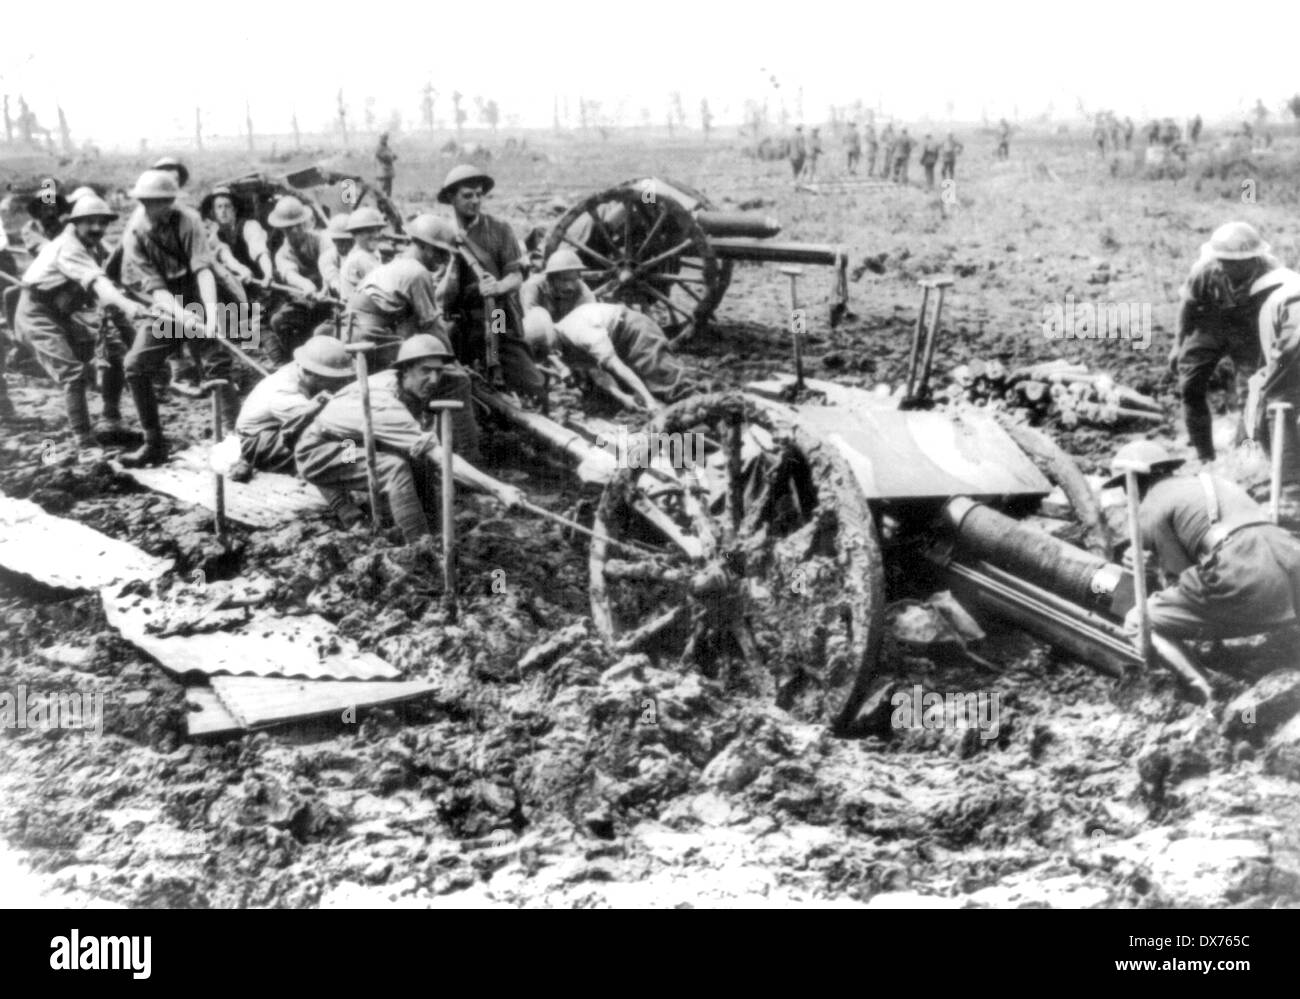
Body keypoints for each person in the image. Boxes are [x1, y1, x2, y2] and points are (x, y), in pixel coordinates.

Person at [294, 334, 517, 543]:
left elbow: (458, 381)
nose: (433, 379)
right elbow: (441, 457)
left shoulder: (402, 384)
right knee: (394, 469)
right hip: (326, 451)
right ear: (406, 370)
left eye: (438, 372)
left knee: (418, 459)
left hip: (352, 440)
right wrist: (498, 489)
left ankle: (434, 531)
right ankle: (419, 549)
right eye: (426, 371)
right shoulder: (385, 404)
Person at [1107, 441, 1300, 646]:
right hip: (1290, 557)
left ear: (1132, 483)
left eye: (1123, 486)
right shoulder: (1212, 481)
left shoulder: (1150, 508)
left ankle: (1198, 679)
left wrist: (1155, 571)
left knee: (1138, 621)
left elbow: (1182, 578)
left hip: (1245, 576)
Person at [119, 169, 240, 466]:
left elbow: (203, 270)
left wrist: (210, 316)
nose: (152, 208)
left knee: (217, 366)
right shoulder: (133, 234)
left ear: (170, 201)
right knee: (135, 366)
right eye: (146, 202)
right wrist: (183, 316)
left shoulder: (189, 221)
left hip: (200, 292)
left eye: (160, 202)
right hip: (167, 304)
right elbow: (157, 290)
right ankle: (154, 442)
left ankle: (239, 442)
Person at [14, 196, 145, 447]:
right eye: (90, 222)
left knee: (113, 354)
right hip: (36, 313)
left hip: (64, 313)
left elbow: (116, 279)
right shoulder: (69, 247)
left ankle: (111, 420)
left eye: (102, 223)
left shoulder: (92, 246)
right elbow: (99, 284)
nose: (97, 228)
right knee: (72, 374)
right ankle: (84, 441)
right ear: (75, 223)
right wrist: (127, 305)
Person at [434, 165, 545, 403]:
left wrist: (497, 287)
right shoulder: (443, 233)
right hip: (458, 322)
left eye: (478, 194)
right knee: (450, 382)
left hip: (496, 313)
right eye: (467, 195)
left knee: (529, 380)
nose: (475, 201)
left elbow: (515, 277)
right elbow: (438, 289)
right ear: (451, 198)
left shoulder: (499, 229)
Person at [1171, 221, 1279, 464]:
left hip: (1250, 329)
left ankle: (1244, 454)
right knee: (1190, 385)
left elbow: (1283, 312)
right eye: (1223, 261)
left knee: (1254, 392)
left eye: (1233, 263)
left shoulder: (1272, 273)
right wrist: (1177, 346)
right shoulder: (1205, 269)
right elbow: (1187, 306)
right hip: (1211, 322)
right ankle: (1205, 458)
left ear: (1251, 260)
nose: (1225, 266)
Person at [235, 335, 354, 490]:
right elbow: (324, 425)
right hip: (257, 442)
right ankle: (345, 507)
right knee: (319, 451)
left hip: (281, 427)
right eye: (332, 378)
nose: (339, 382)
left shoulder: (303, 370)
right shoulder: (285, 394)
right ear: (310, 374)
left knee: (343, 446)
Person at [523, 302, 693, 411]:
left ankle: (709, 414)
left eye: (547, 351)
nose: (551, 356)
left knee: (667, 384)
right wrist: (623, 397)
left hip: (634, 331)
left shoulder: (579, 333)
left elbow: (617, 367)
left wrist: (649, 400)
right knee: (640, 392)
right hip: (618, 342)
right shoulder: (564, 347)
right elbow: (599, 373)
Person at [265, 196, 337, 368]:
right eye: (290, 228)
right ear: (282, 229)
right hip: (306, 301)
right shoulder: (282, 254)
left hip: (331, 299)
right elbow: (289, 274)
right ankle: (297, 358)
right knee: (278, 321)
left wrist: (325, 289)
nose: (296, 230)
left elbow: (329, 267)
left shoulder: (321, 240)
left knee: (323, 332)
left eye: (299, 225)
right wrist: (307, 286)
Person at [199, 186, 273, 302]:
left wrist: (268, 274)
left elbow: (260, 252)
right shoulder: (215, 237)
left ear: (235, 210)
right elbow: (225, 259)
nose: (223, 211)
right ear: (213, 213)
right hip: (240, 292)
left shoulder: (250, 226)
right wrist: (241, 271)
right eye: (219, 207)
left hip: (264, 286)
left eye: (227, 206)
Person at [520, 248, 595, 322]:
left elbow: (591, 316)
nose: (569, 286)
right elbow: (530, 320)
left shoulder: (582, 289)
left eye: (573, 280)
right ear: (551, 279)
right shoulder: (534, 287)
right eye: (564, 280)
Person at [339, 207, 387, 301]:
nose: (376, 235)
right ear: (355, 234)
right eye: (369, 231)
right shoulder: (359, 258)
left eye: (378, 230)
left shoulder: (371, 252)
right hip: (359, 311)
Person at [319, 213, 353, 299]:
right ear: (333, 240)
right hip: (341, 298)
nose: (345, 246)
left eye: (349, 241)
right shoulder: (326, 258)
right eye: (340, 241)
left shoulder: (364, 254)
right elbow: (335, 282)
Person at [374, 133, 397, 198]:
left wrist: (391, 156)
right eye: (383, 138)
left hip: (388, 172)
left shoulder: (387, 147)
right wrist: (391, 156)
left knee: (388, 191)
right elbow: (384, 157)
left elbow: (393, 156)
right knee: (381, 190)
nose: (385, 140)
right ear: (380, 139)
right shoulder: (379, 148)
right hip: (382, 172)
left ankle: (387, 203)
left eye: (386, 138)